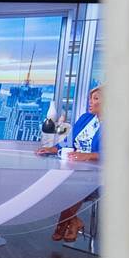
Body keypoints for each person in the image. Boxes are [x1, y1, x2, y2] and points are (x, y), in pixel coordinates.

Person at [37, 84, 103, 241]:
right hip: (74, 167)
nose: (90, 102)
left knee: (72, 186)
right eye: (90, 98)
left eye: (96, 98)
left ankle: (62, 225)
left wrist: (88, 156)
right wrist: (51, 149)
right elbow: (68, 142)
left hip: (97, 175)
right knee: (49, 182)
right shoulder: (86, 118)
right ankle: (73, 221)